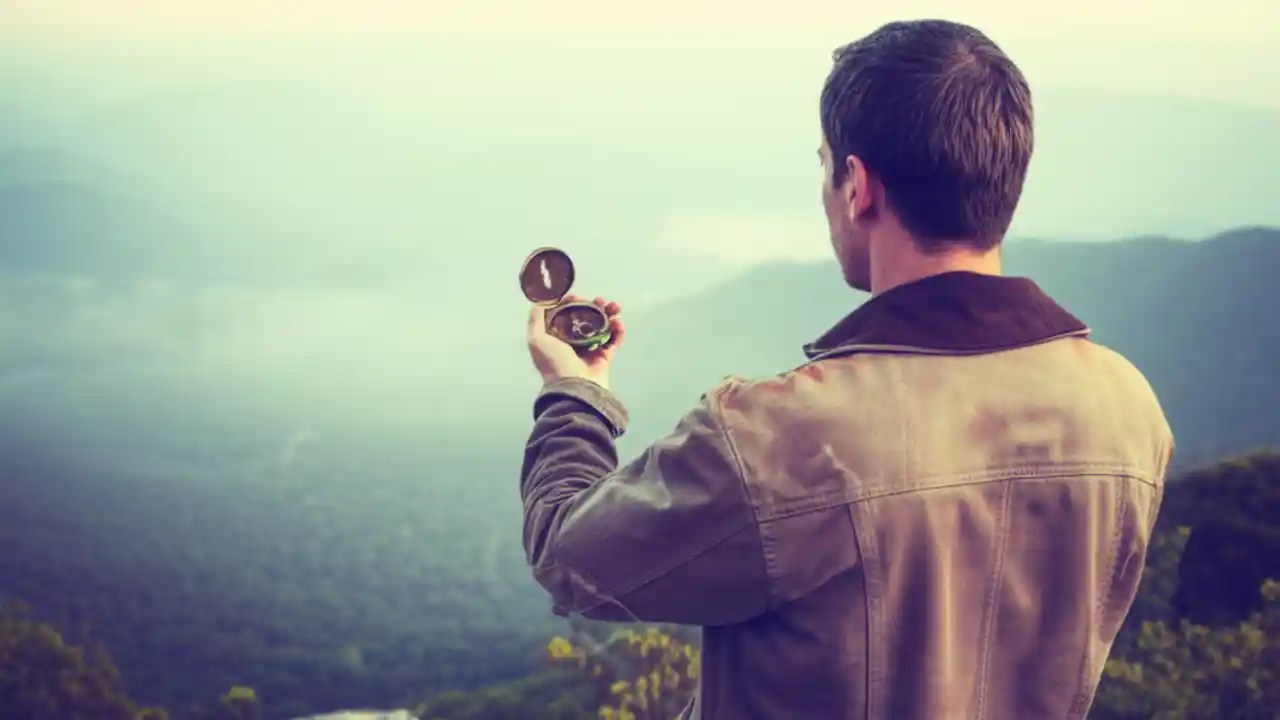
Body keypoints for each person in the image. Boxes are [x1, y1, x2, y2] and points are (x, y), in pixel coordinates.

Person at [520, 19, 1174, 720]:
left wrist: (576, 393)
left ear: (857, 185)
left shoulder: (783, 436)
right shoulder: (1126, 409)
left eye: (825, 163)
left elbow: (572, 555)